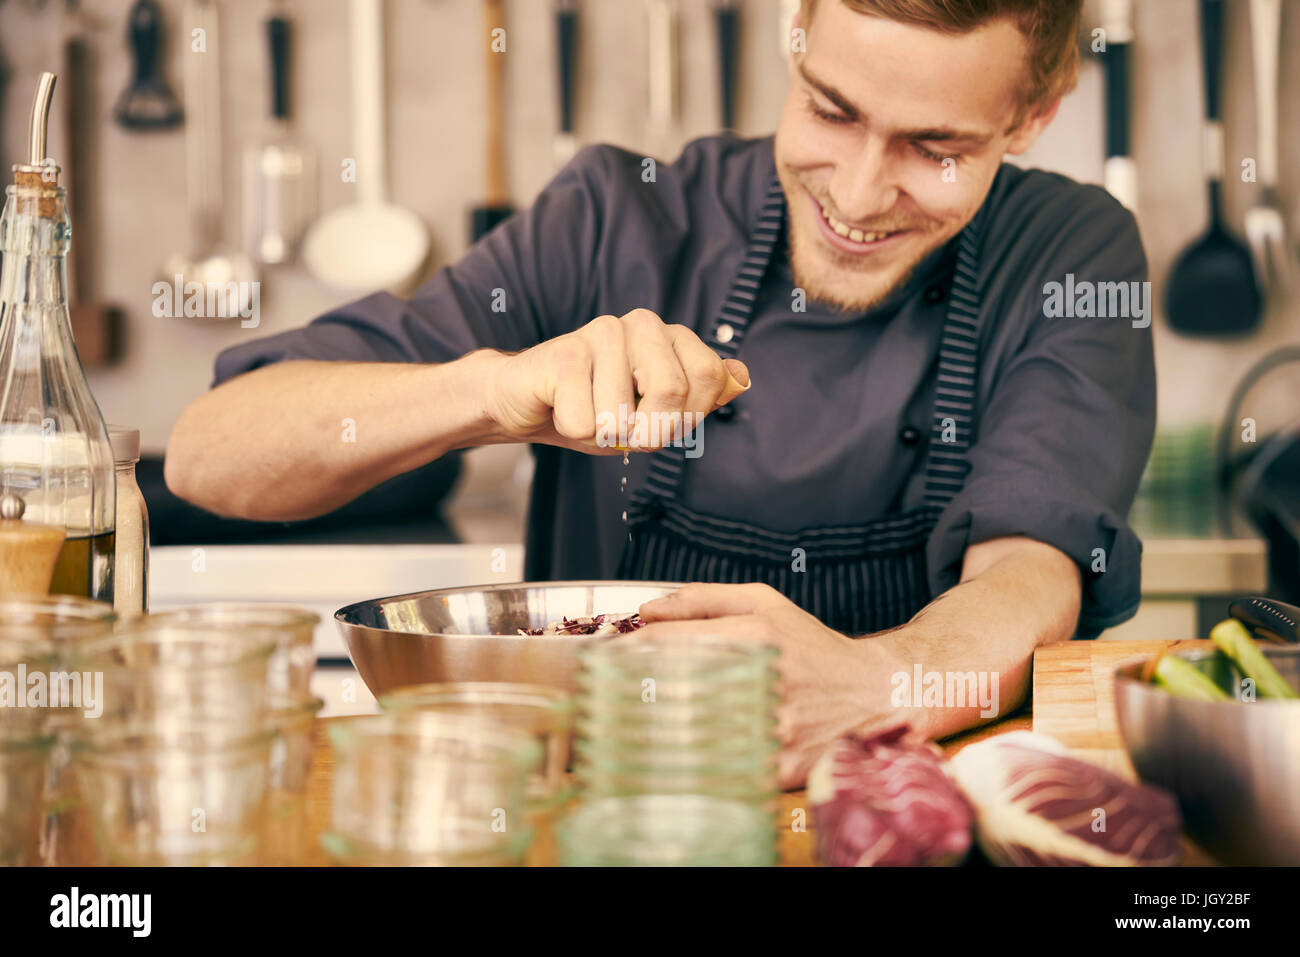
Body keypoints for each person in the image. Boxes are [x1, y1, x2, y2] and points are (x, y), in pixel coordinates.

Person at [166, 0, 1154, 786]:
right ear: (793, 35)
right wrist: (492, 389)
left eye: (934, 148)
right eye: (829, 110)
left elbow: (1032, 575)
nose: (854, 195)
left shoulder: (1068, 252)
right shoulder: (614, 216)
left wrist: (879, 684)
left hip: (896, 831)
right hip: (596, 823)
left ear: (1033, 115)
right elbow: (211, 456)